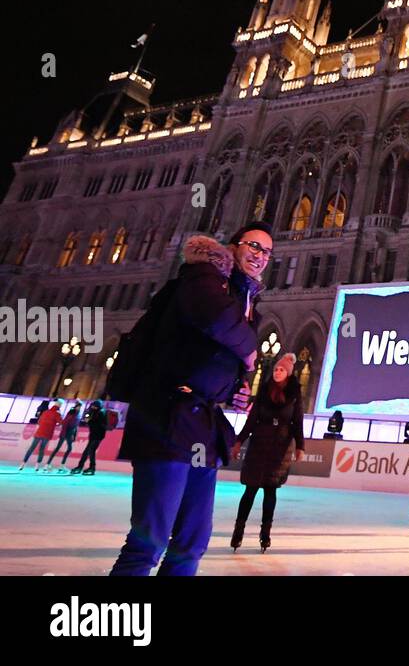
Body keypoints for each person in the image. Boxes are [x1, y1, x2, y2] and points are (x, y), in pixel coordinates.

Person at [110, 225, 270, 576]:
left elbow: (206, 355)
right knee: (148, 542)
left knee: (191, 542)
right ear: (233, 247)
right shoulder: (203, 276)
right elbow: (215, 320)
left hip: (202, 424)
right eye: (254, 246)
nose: (261, 255)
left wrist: (234, 392)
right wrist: (249, 349)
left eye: (268, 252)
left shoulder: (242, 300)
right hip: (167, 415)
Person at [229, 350, 305, 552]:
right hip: (259, 444)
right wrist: (239, 441)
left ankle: (265, 533)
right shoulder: (264, 391)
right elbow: (252, 419)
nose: (278, 372)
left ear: (288, 373)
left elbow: (297, 421)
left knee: (270, 491)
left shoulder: (294, 395)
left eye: (282, 369)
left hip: (280, 447)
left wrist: (300, 445)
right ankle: (239, 530)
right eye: (276, 369)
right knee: (250, 489)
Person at [19, 398, 61, 471]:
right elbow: (61, 422)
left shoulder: (45, 412)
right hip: (47, 433)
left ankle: (23, 464)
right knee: (42, 449)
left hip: (40, 432)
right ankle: (37, 465)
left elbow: (39, 421)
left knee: (31, 448)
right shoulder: (57, 414)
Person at [71, 400, 108, 475]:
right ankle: (81, 466)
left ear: (97, 406)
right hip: (94, 435)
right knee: (87, 451)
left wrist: (89, 421)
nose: (92, 407)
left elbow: (98, 425)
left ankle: (91, 468)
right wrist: (88, 420)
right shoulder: (95, 412)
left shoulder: (101, 413)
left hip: (98, 436)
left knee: (91, 451)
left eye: (93, 406)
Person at [47, 399, 82, 470]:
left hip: (69, 433)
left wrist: (74, 435)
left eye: (80, 406)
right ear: (77, 406)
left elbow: (76, 426)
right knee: (60, 448)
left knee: (67, 449)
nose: (79, 408)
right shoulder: (72, 412)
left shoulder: (77, 413)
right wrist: (65, 432)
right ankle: (50, 464)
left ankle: (60, 465)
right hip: (67, 432)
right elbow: (67, 423)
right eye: (79, 406)